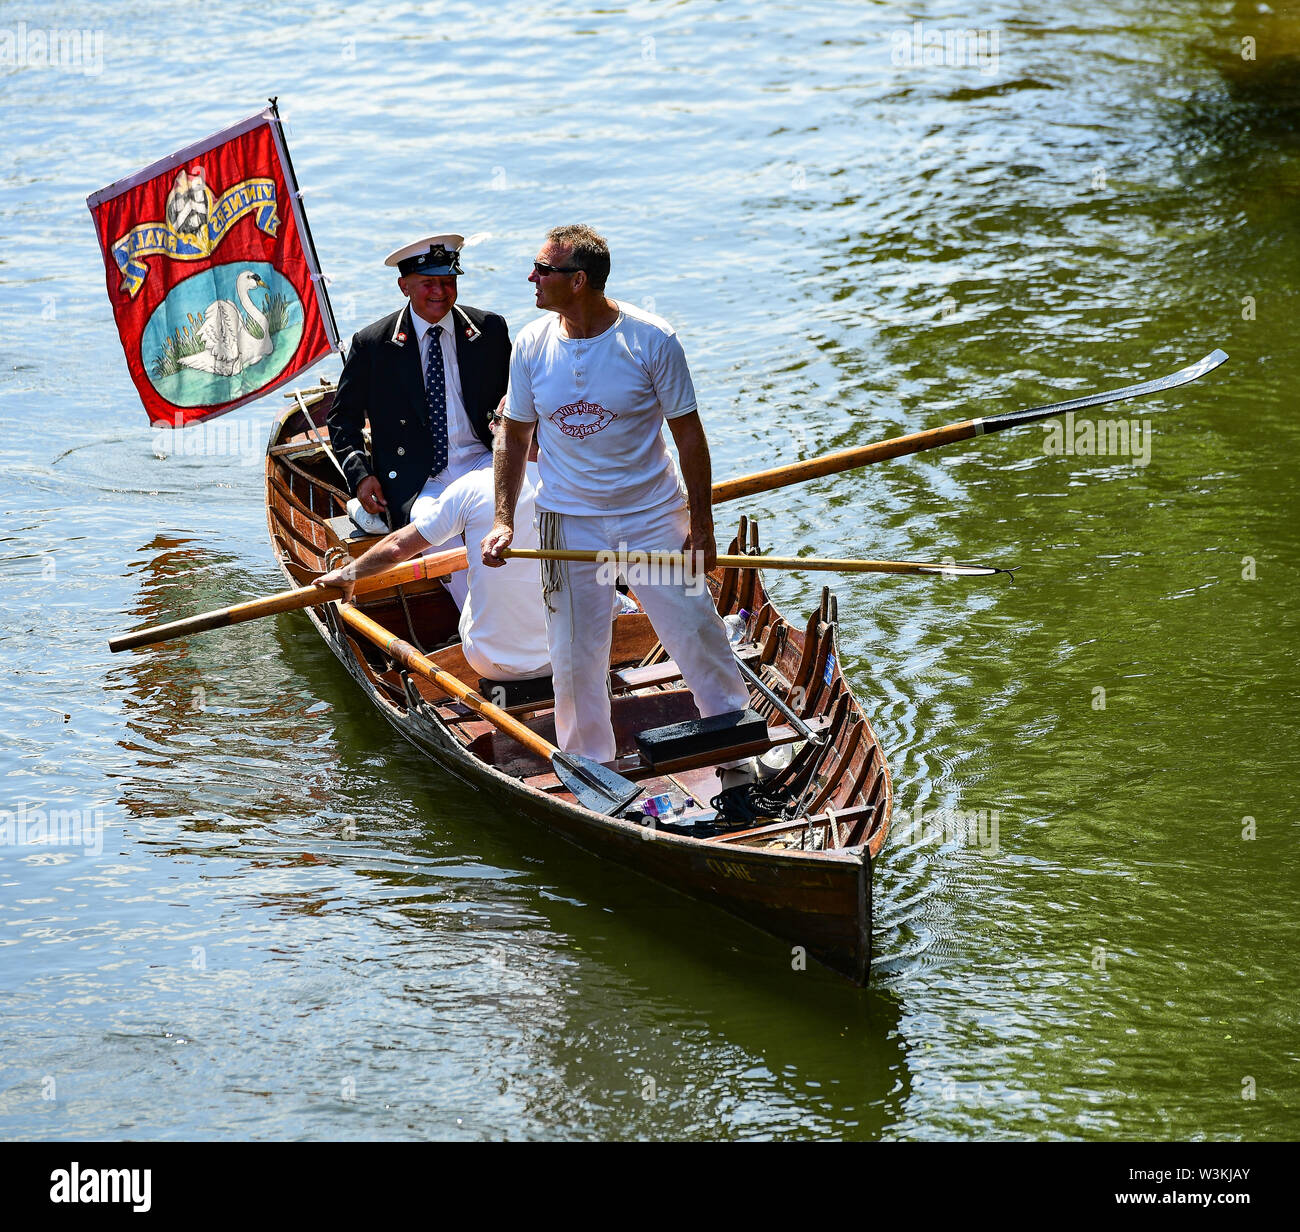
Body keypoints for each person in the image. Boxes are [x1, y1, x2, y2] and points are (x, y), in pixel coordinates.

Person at [482, 224, 749, 764]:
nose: (531, 278)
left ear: (578, 280)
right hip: (567, 521)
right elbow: (513, 436)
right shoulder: (531, 345)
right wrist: (504, 521)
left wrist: (703, 528)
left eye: (542, 269)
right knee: (574, 656)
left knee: (696, 633)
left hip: (651, 514)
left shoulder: (653, 340)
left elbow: (689, 437)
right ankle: (592, 767)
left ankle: (735, 754)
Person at [314, 429, 550, 683]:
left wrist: (348, 574)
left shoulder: (472, 485)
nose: (490, 426)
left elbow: (396, 549)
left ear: (505, 431)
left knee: (480, 584)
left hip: (493, 662)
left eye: (495, 419)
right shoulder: (581, 486)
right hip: (571, 657)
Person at [326, 233, 510, 529]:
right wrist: (361, 476)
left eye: (449, 281)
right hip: (418, 478)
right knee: (435, 530)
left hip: (482, 460)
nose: (440, 291)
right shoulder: (372, 344)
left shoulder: (489, 330)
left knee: (502, 514)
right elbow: (342, 420)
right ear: (404, 286)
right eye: (428, 282)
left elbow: (516, 400)